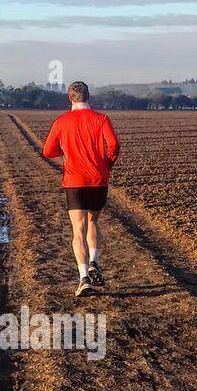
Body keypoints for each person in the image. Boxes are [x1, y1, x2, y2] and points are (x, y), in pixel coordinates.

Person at [41, 81, 120, 298]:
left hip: (74, 180)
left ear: (70, 98)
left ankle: (84, 278)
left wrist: (66, 151)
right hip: (98, 180)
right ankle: (95, 261)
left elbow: (48, 151)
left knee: (78, 229)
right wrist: (106, 164)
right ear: (89, 96)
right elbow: (114, 145)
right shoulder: (101, 119)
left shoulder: (62, 121)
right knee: (93, 221)